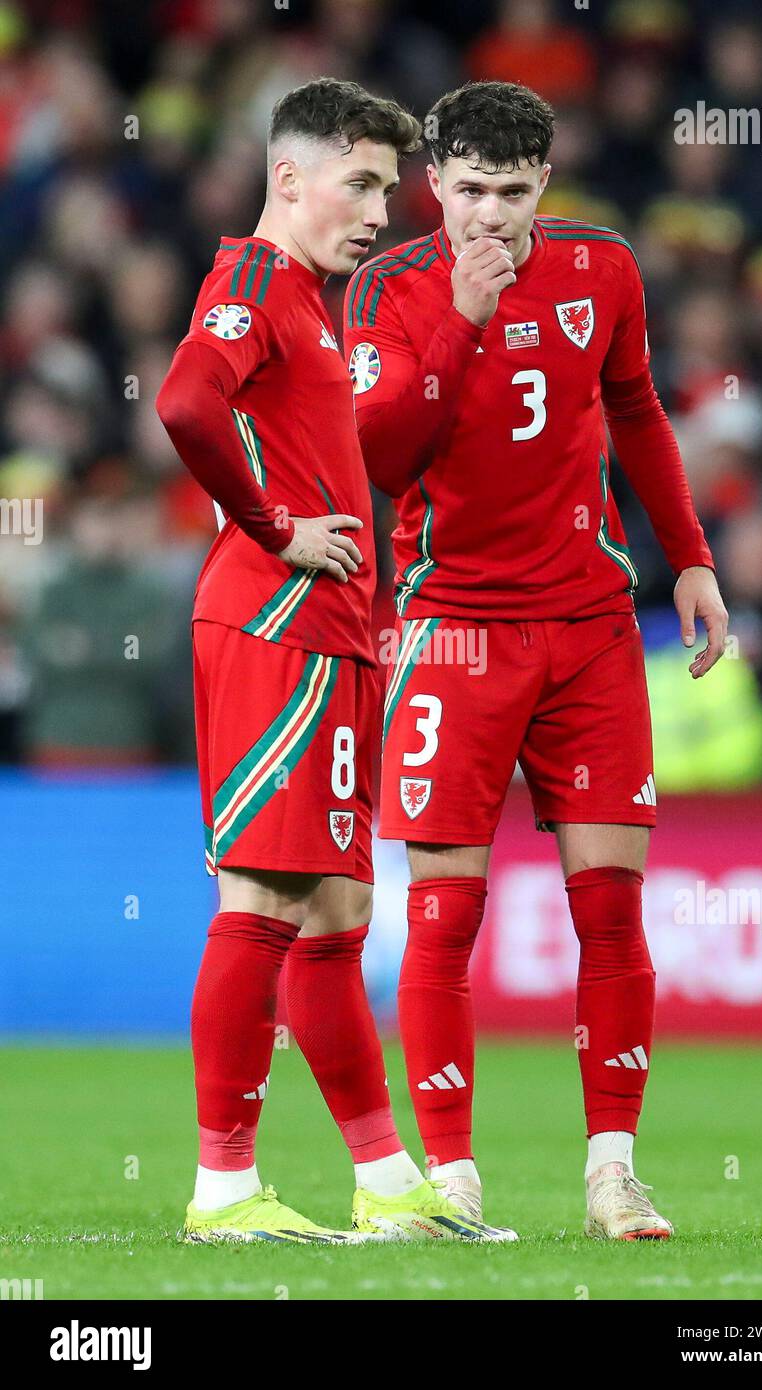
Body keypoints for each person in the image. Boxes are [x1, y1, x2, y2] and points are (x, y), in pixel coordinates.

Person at [344, 80, 728, 1239]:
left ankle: (612, 1168)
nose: (490, 219)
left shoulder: (602, 269)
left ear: (543, 185)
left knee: (609, 909)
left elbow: (638, 410)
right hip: (451, 628)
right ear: (432, 187)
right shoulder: (388, 286)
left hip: (586, 626)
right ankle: (451, 1175)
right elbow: (383, 452)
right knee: (446, 919)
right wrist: (462, 315)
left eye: (511, 195)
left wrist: (693, 559)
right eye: (467, 193)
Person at [157, 77, 516, 1244]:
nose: (375, 208)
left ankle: (381, 1177)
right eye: (356, 182)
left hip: (335, 636)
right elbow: (183, 404)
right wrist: (275, 529)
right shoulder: (255, 281)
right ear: (287, 179)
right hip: (273, 624)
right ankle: (222, 1187)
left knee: (338, 905)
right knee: (261, 897)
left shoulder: (311, 304)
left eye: (385, 185)